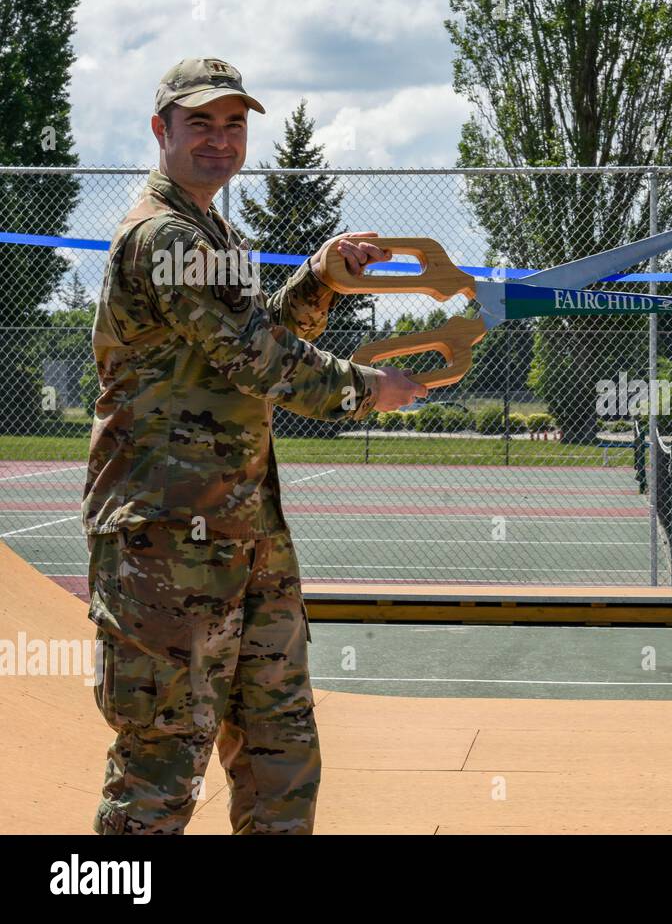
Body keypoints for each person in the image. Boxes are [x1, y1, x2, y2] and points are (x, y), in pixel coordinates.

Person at [83, 57, 427, 834]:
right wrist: (371, 388)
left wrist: (320, 278)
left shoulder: (216, 233)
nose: (220, 139)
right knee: (161, 764)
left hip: (246, 536)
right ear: (160, 130)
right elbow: (260, 359)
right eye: (199, 122)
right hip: (165, 544)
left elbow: (253, 336)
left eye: (234, 123)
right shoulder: (163, 236)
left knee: (280, 745)